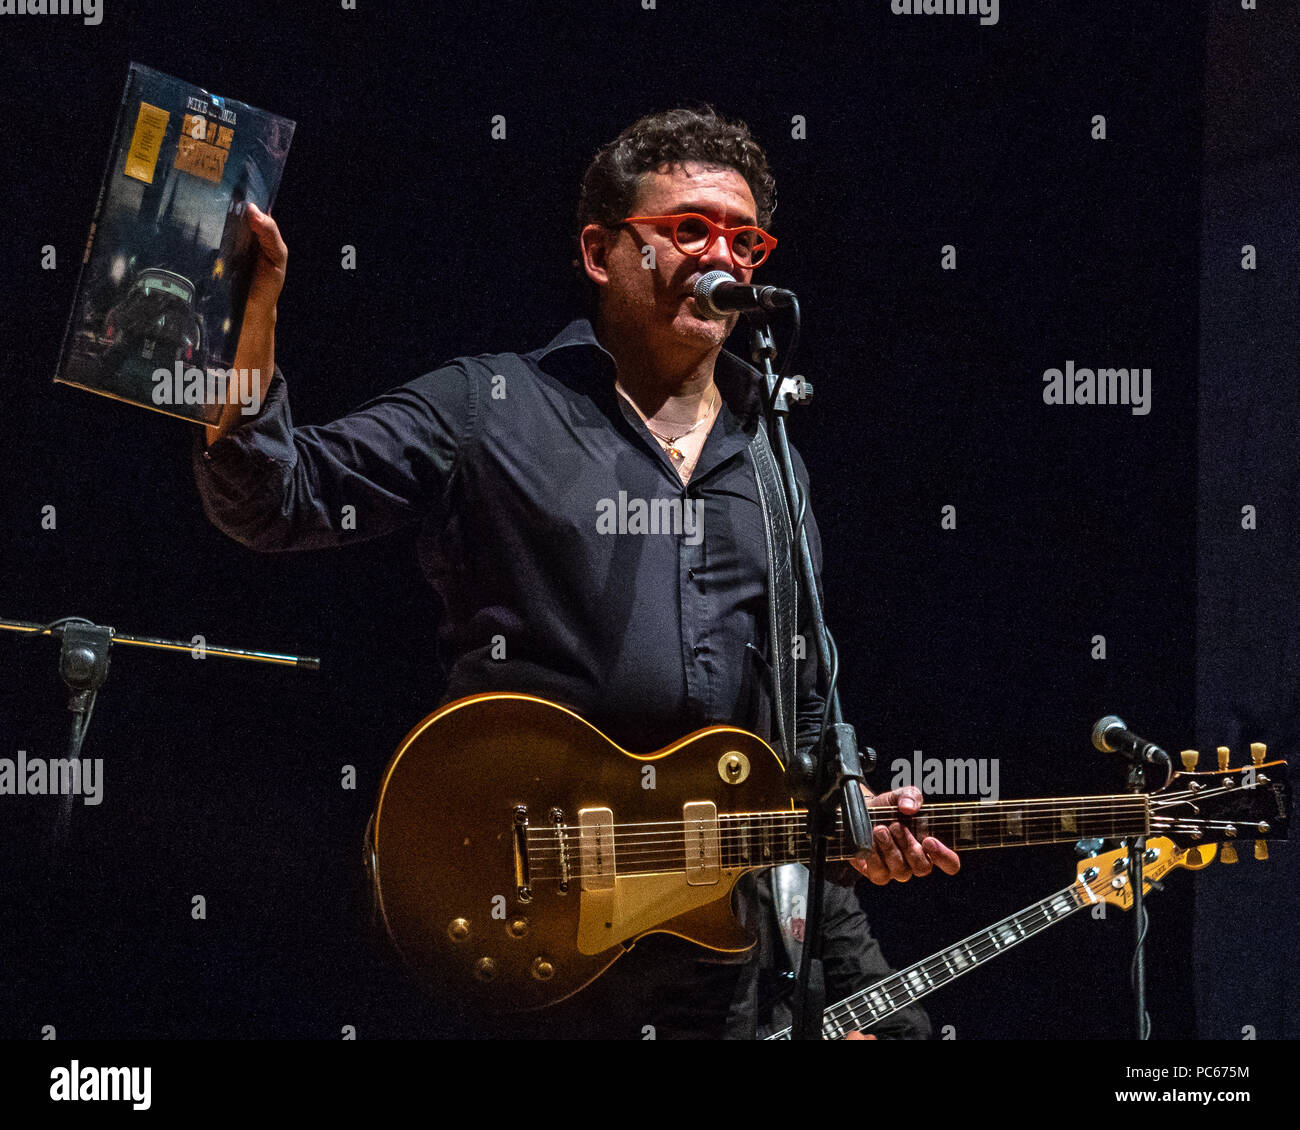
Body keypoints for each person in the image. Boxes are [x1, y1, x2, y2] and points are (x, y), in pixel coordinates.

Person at [193, 106, 959, 1038]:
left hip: (717, 962)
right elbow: (275, 497)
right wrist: (251, 306)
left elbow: (795, 710)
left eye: (744, 239)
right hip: (533, 932)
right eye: (687, 229)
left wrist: (852, 820)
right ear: (601, 253)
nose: (722, 257)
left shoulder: (773, 454)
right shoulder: (494, 408)